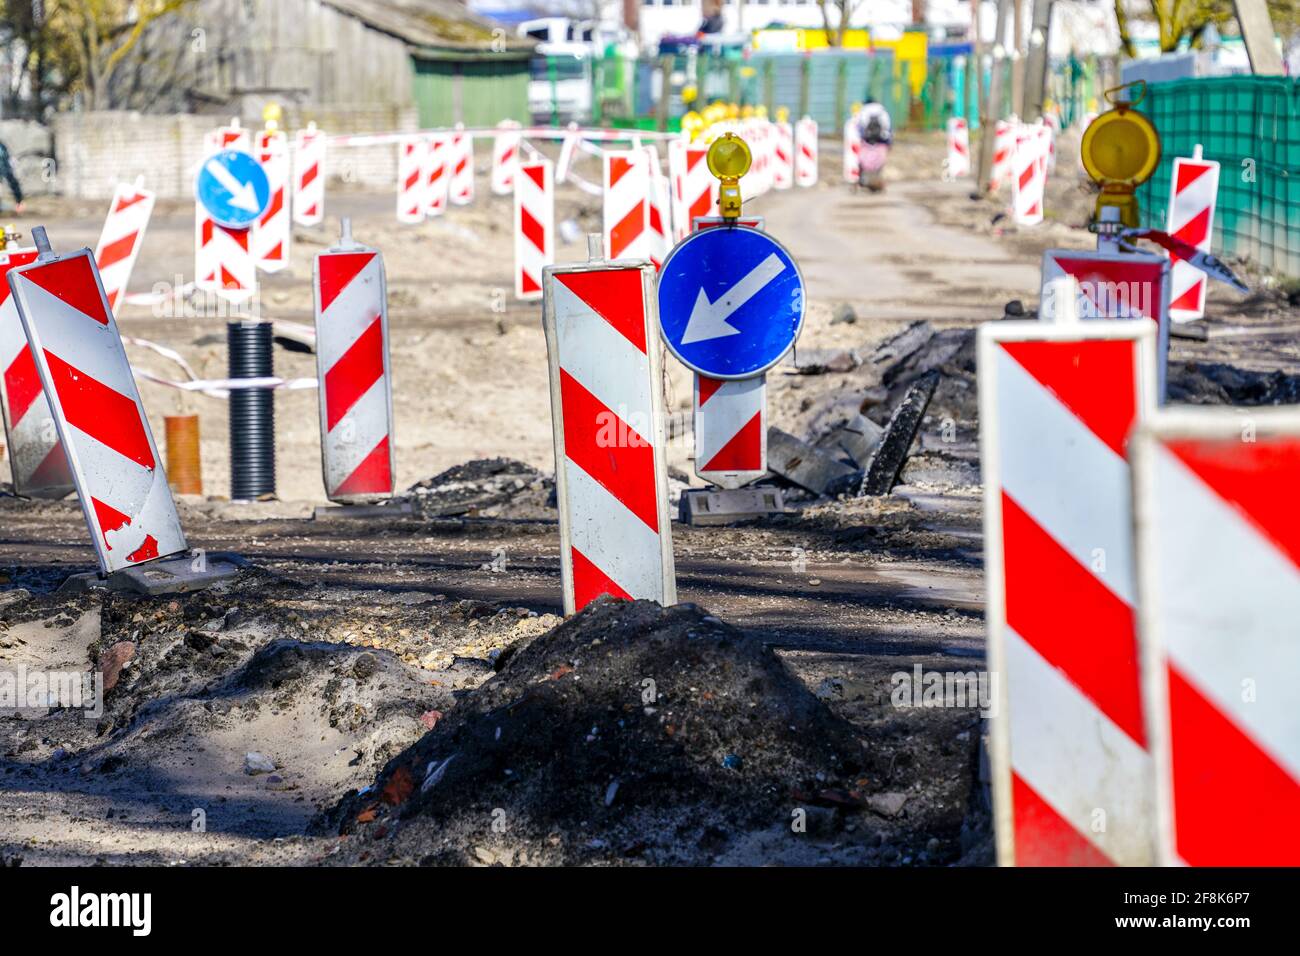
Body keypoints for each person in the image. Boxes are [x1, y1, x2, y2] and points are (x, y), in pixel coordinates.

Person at [0, 139, 26, 214]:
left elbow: (11, 178)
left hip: (5, 169)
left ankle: (19, 203)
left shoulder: (2, 147)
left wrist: (19, 200)